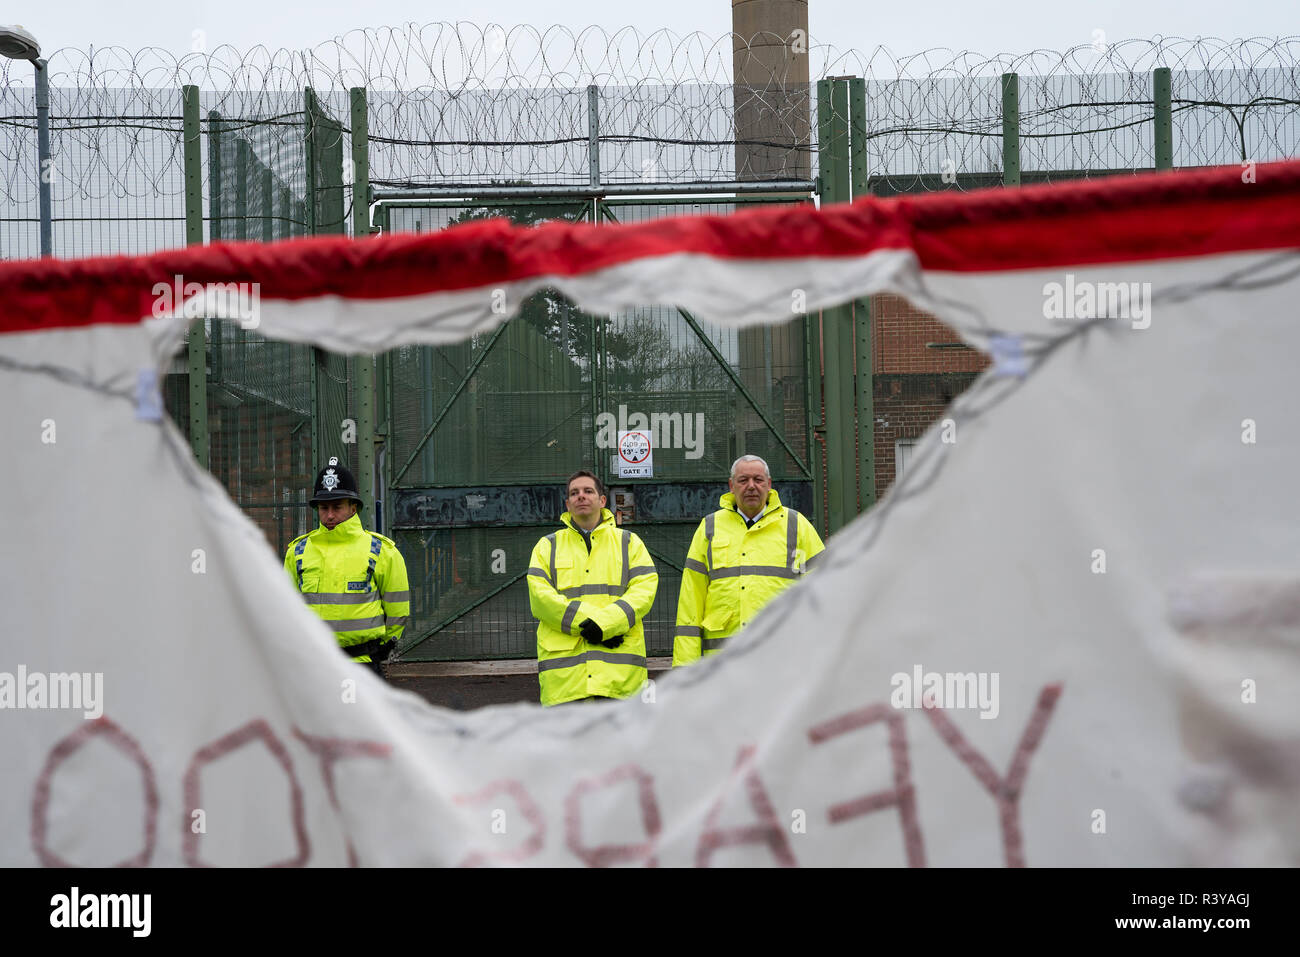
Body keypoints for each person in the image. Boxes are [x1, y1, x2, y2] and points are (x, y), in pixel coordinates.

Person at [673, 454, 825, 665]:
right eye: (743, 480)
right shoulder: (710, 528)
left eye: (758, 480)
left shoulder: (797, 526)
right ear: (731, 486)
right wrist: (685, 669)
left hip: (782, 660)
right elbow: (691, 603)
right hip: (722, 664)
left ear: (769, 484)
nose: (751, 486)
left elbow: (822, 591)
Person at [527, 470, 658, 706]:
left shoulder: (629, 543)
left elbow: (644, 590)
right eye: (574, 493)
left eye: (588, 491)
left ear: (602, 500)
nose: (581, 497)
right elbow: (540, 597)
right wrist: (593, 625)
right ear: (567, 504)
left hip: (619, 679)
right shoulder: (547, 546)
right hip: (566, 682)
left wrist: (605, 624)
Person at [284, 457, 410, 675]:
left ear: (353, 508)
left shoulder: (381, 551)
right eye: (324, 507)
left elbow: (397, 608)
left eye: (337, 507)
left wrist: (384, 648)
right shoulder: (297, 552)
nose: (330, 514)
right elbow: (284, 607)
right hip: (313, 664)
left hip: (363, 664)